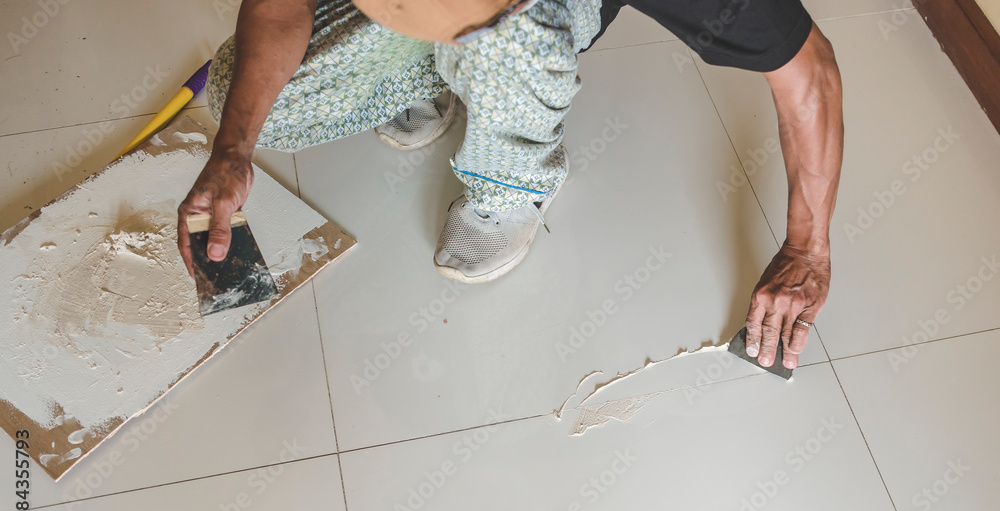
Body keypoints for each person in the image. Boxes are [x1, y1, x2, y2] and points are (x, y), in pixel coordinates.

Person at [177, 0, 842, 371]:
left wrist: (807, 248)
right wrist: (234, 148)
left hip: (530, 19)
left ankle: (511, 178)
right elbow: (278, 8)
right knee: (258, 96)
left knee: (508, 43)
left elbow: (808, 69)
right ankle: (432, 68)